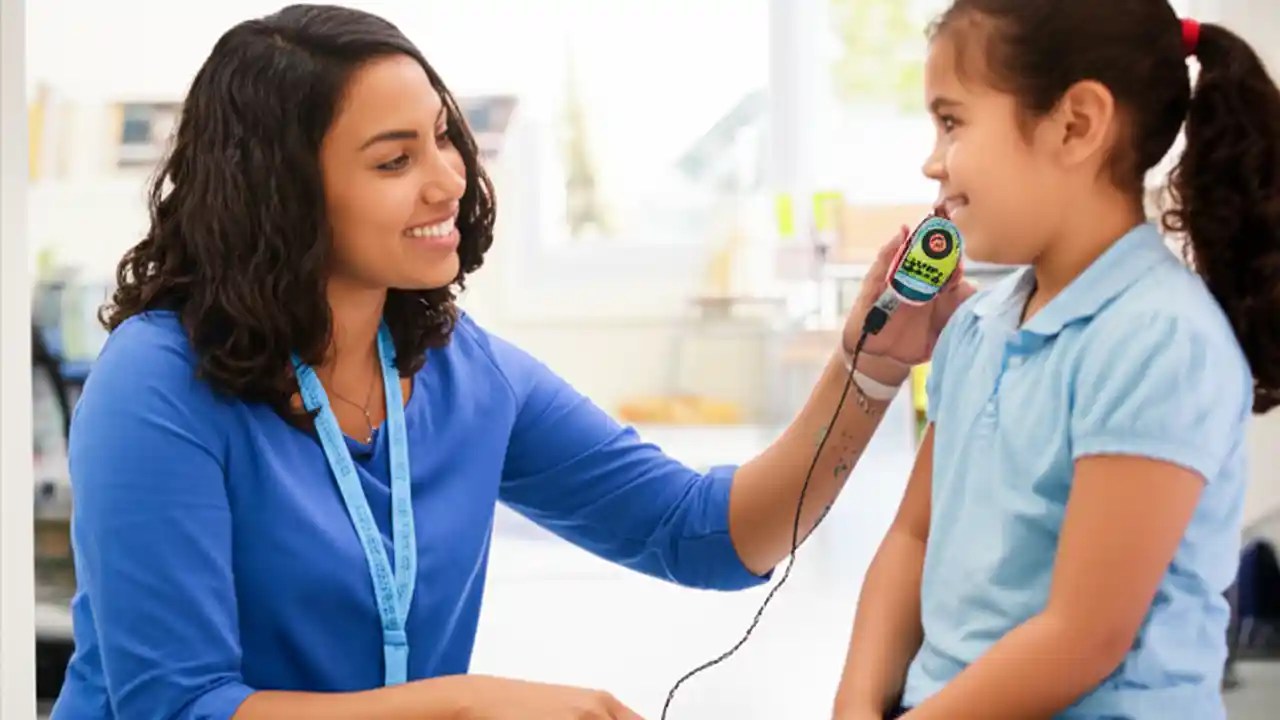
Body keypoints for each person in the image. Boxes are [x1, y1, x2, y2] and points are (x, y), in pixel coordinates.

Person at [50, 5, 973, 720]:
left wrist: (871, 371)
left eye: (444, 136)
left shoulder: (460, 373)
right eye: (393, 159)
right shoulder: (158, 383)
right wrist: (467, 701)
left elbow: (712, 537)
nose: (448, 177)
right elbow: (178, 706)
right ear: (282, 194)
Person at [831, 1, 1280, 719]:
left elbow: (1082, 637)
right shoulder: (977, 324)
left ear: (1075, 125)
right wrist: (856, 706)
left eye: (952, 122)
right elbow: (913, 537)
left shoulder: (1159, 340)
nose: (932, 159)